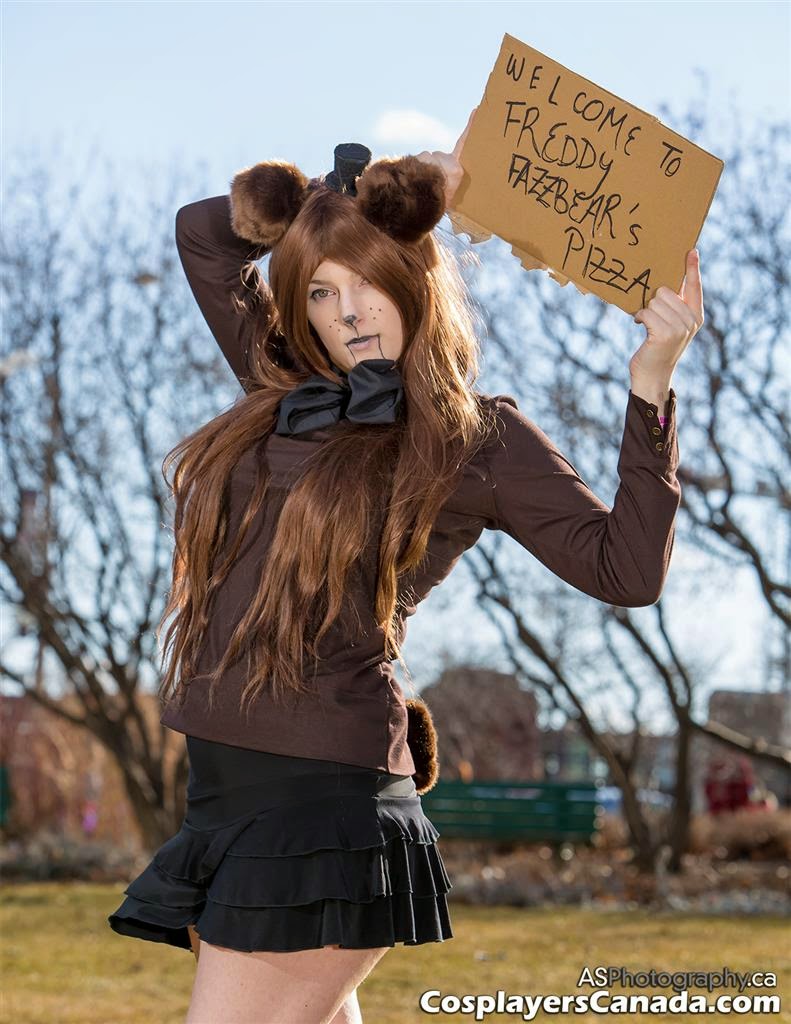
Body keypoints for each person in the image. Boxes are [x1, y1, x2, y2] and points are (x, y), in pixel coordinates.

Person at [107, 107, 704, 1023]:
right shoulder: (281, 386)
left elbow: (625, 569)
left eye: (367, 283)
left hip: (323, 807)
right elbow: (204, 235)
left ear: (412, 278)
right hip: (225, 792)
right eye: (319, 291)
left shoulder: (475, 438)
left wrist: (651, 384)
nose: (345, 313)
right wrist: (339, 197)